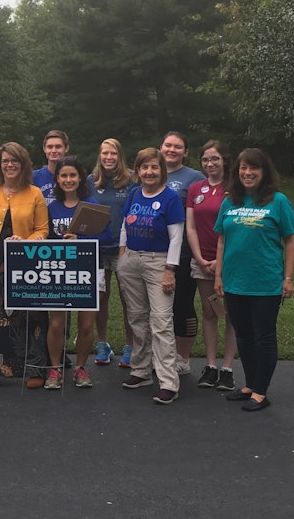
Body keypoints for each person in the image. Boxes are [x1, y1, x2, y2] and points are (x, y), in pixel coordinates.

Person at [215, 148, 294, 412]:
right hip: (235, 281)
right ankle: (250, 385)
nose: (248, 173)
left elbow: (291, 238)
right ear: (237, 172)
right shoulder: (230, 202)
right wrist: (219, 276)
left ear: (264, 172)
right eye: (243, 168)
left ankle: (261, 391)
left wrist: (288, 278)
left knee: (263, 336)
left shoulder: (278, 201)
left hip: (265, 282)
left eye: (254, 168)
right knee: (244, 336)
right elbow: (221, 239)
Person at [0, 142, 49, 387]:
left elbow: (43, 230)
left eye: (14, 160)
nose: (10, 164)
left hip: (25, 263)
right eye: (5, 160)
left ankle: (34, 370)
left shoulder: (34, 193)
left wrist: (26, 241)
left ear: (23, 163)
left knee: (29, 316)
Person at [117, 148, 184, 404]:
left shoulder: (170, 198)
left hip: (159, 263)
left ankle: (168, 382)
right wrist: (123, 255)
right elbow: (125, 224)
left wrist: (170, 269)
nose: (149, 172)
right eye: (144, 167)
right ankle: (141, 370)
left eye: (154, 167)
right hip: (132, 260)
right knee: (136, 317)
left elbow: (177, 237)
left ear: (162, 170)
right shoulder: (135, 193)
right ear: (138, 170)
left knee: (161, 321)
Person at [45, 156, 112, 389]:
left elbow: (107, 237)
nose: (68, 179)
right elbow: (43, 237)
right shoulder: (50, 207)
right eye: (63, 175)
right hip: (59, 273)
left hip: (89, 271)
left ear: (80, 177)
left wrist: (81, 239)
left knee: (85, 325)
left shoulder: (91, 204)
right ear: (57, 178)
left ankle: (81, 368)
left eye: (72, 175)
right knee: (56, 325)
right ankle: (55, 370)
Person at [186, 140, 237, 390]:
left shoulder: (235, 189)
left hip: (231, 261)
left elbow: (239, 227)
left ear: (225, 160)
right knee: (209, 312)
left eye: (215, 159)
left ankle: (227, 368)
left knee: (231, 315)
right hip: (203, 261)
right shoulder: (195, 188)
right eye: (205, 160)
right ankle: (210, 366)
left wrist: (222, 260)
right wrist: (199, 258)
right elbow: (191, 226)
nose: (210, 164)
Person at [87, 138, 135, 367]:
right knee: (100, 297)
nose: (108, 157)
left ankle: (129, 346)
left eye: (113, 153)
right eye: (104, 153)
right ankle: (102, 344)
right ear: (100, 155)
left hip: (123, 248)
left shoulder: (132, 179)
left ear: (120, 155)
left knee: (128, 299)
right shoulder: (90, 180)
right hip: (97, 248)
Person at [160, 131, 205, 375]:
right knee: (157, 308)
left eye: (178, 147)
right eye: (168, 145)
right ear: (161, 147)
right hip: (153, 252)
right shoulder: (152, 171)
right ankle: (162, 354)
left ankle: (182, 358)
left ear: (185, 152)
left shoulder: (194, 177)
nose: (172, 150)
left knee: (182, 305)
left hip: (185, 252)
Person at [32, 130, 70, 204]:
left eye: (58, 147)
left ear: (66, 148)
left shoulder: (73, 178)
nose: (54, 150)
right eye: (50, 147)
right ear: (44, 149)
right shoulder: (33, 177)